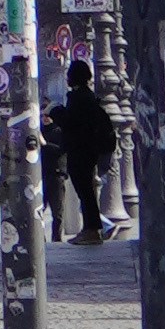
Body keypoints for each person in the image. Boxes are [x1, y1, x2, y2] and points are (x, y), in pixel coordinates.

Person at [47, 48, 119, 251]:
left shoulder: (79, 98)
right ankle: (91, 228)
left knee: (85, 191)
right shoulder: (86, 97)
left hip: (82, 150)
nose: (67, 78)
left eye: (70, 74)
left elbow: (73, 123)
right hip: (87, 149)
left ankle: (92, 229)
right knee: (86, 191)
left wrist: (56, 111)